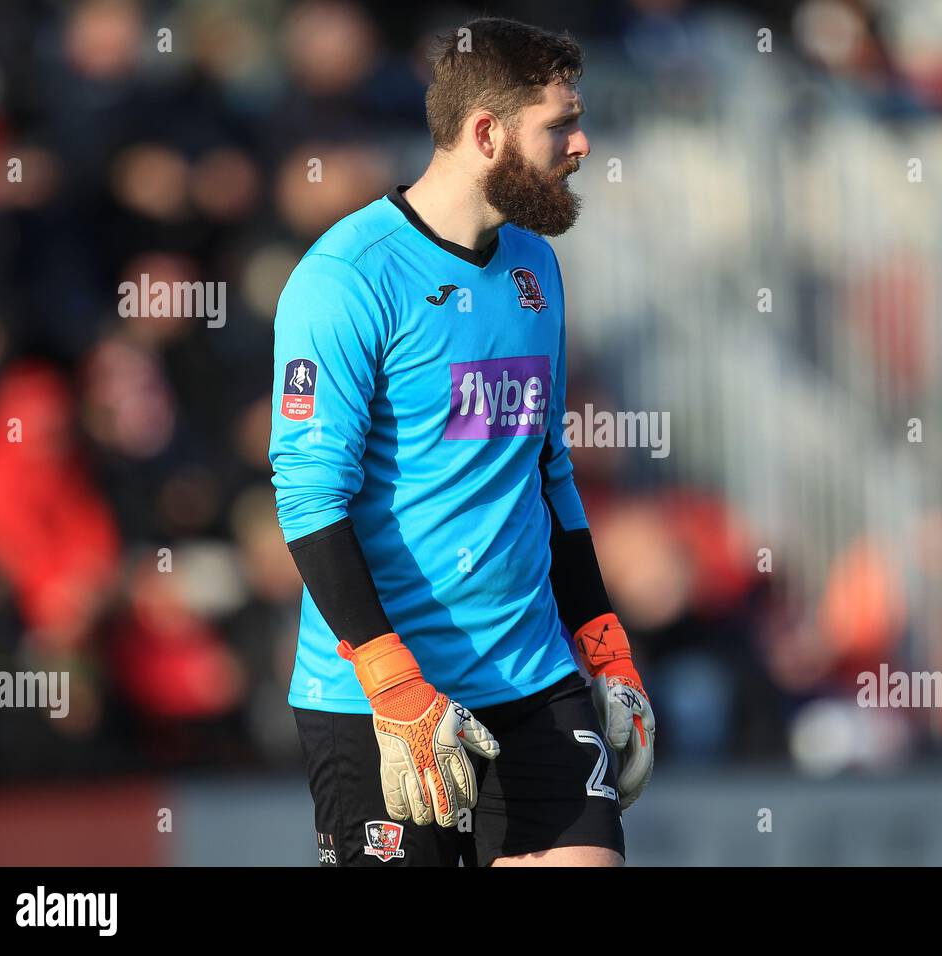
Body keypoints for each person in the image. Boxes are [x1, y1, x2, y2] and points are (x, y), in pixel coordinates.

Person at [268, 17, 654, 867]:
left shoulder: (535, 268)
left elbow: (548, 467)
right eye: (561, 123)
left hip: (531, 678)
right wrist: (391, 679)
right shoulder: (345, 279)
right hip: (380, 697)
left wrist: (602, 642)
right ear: (487, 133)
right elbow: (309, 497)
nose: (582, 144)